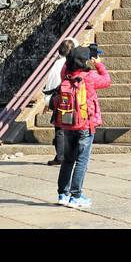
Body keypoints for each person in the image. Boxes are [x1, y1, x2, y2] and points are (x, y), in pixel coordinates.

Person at [52, 45, 111, 210]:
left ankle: (63, 194)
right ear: (85, 62)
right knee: (82, 160)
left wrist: (72, 57)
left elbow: (66, 66)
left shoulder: (66, 75)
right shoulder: (90, 77)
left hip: (68, 123)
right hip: (86, 124)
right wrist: (99, 63)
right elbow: (107, 80)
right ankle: (76, 195)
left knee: (68, 159)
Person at [42, 37, 78, 166]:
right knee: (71, 127)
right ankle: (71, 154)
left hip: (61, 99)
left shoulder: (58, 64)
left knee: (60, 128)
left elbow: (50, 84)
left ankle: (61, 156)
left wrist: (47, 102)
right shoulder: (74, 63)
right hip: (74, 98)